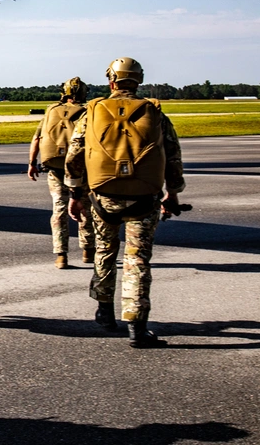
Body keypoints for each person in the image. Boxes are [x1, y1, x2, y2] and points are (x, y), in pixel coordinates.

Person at [64, 57, 185, 348]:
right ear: (138, 80)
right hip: (144, 200)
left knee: (104, 251)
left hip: (104, 198)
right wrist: (174, 191)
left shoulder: (92, 111)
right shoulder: (154, 112)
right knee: (137, 259)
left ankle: (104, 311)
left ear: (111, 81)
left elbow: (74, 155)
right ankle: (137, 325)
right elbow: (173, 155)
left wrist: (75, 194)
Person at [27, 77, 94, 269]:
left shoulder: (52, 111)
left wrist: (32, 163)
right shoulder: (88, 112)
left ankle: (61, 255)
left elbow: (37, 139)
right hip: (81, 170)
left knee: (59, 210)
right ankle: (88, 250)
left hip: (55, 170)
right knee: (85, 208)